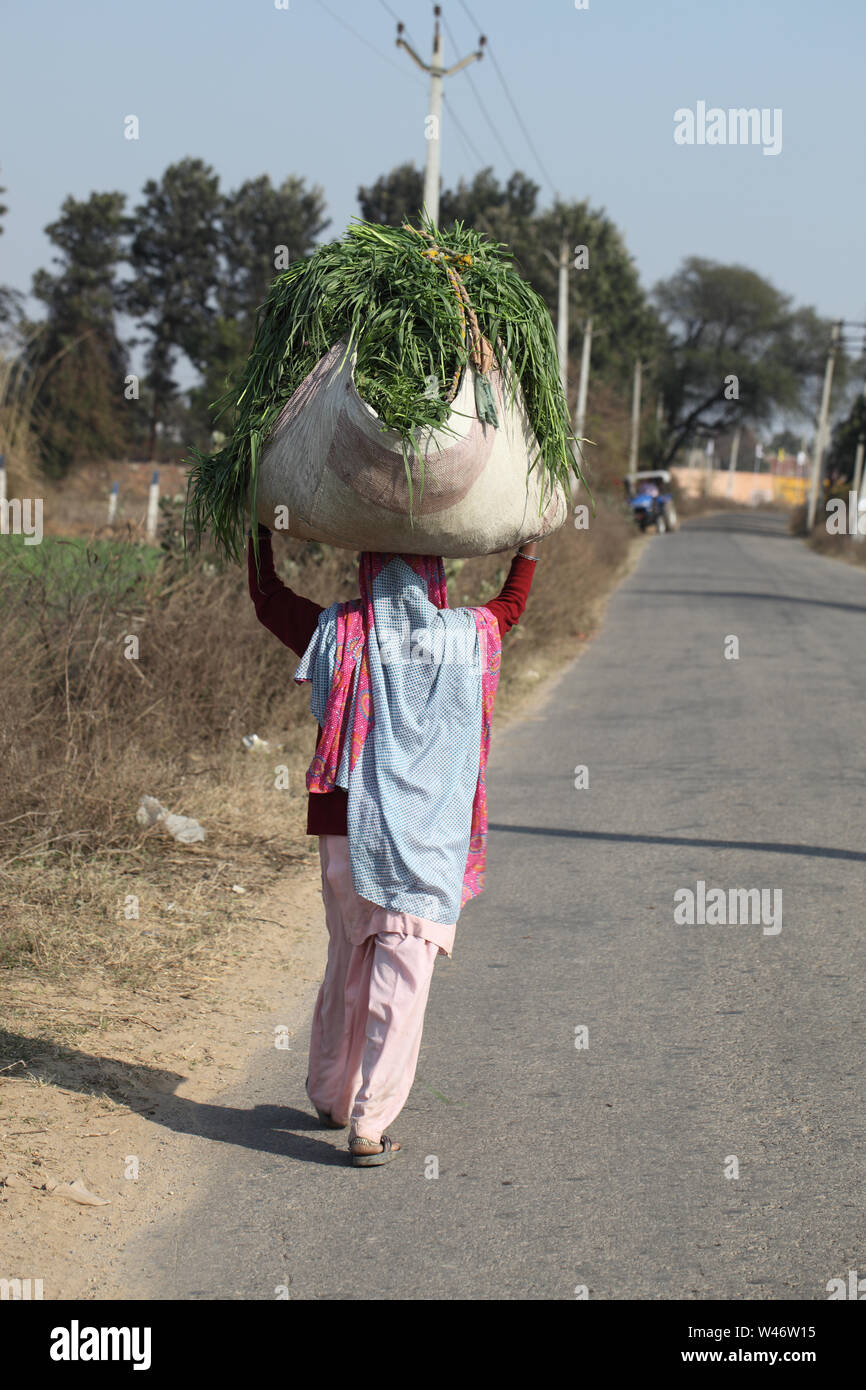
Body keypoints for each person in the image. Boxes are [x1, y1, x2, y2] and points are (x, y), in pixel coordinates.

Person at [248, 524, 538, 1166]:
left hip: (345, 818)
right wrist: (529, 550)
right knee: (401, 973)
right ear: (435, 575)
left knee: (348, 955)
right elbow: (510, 608)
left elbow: (268, 599)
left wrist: (259, 530)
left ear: (366, 568)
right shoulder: (463, 636)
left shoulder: (339, 631)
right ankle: (369, 1124)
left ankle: (331, 1093)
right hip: (425, 829)